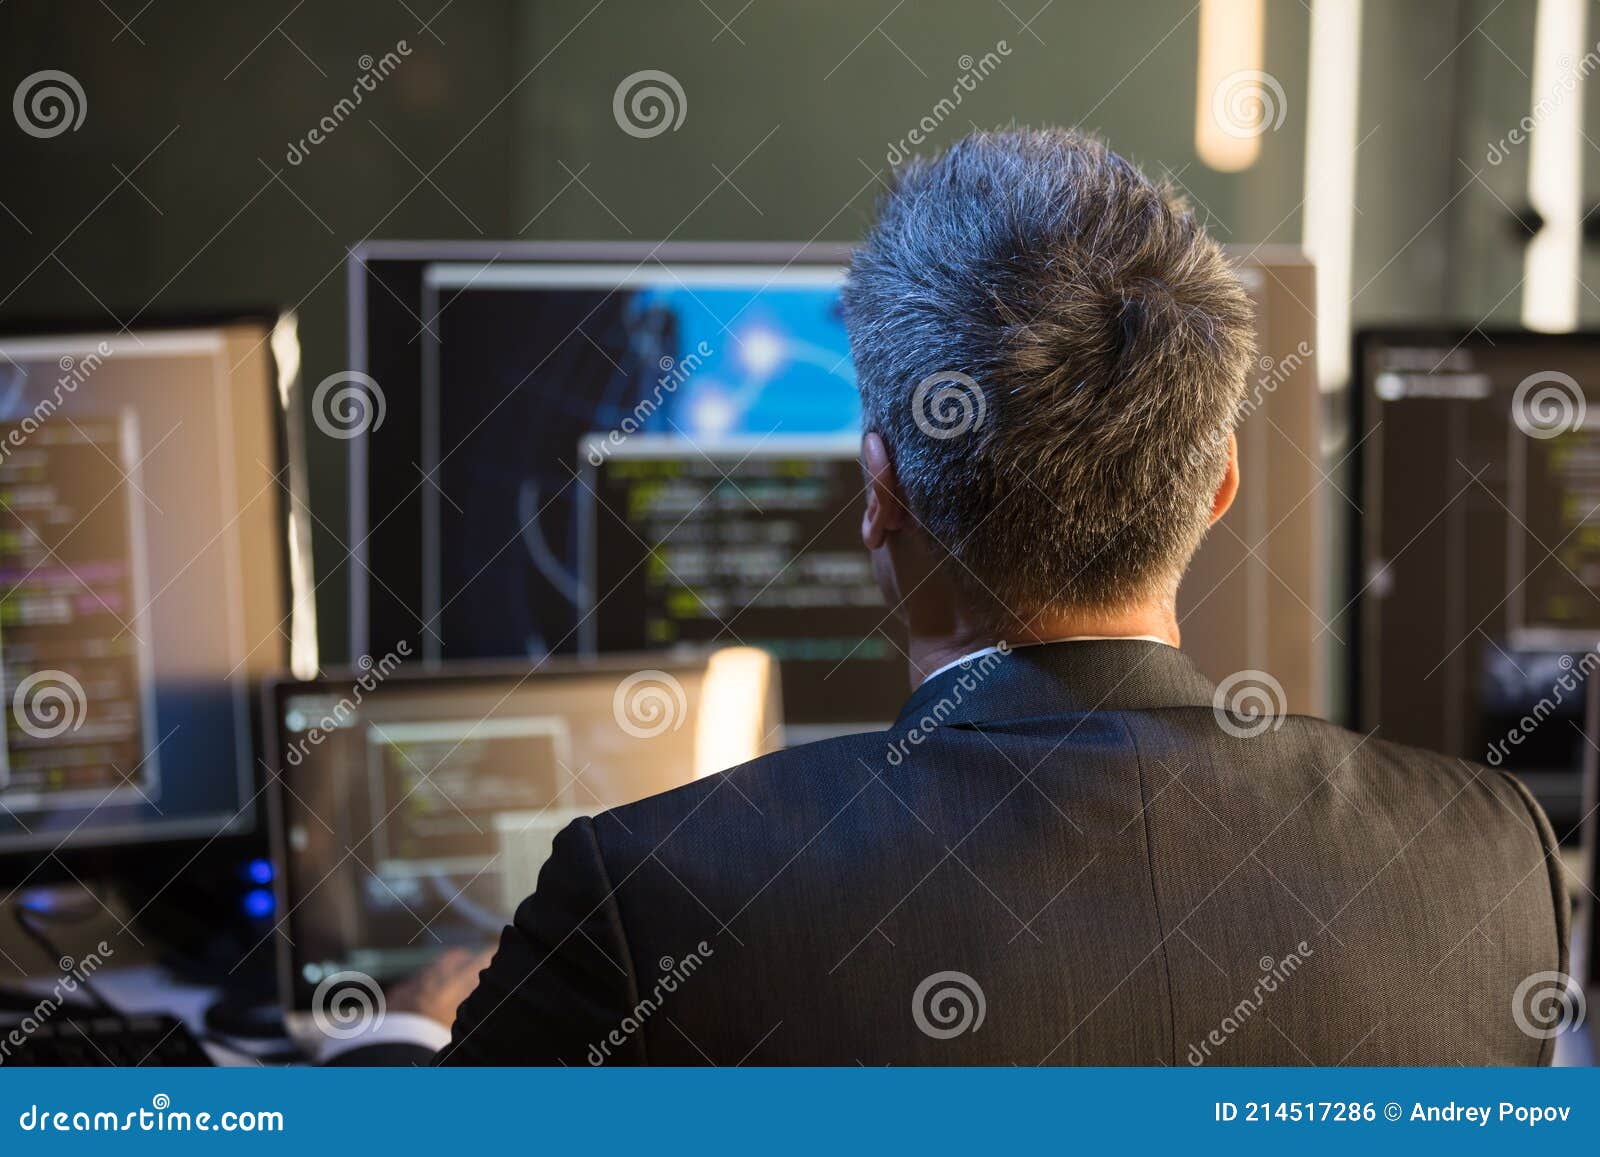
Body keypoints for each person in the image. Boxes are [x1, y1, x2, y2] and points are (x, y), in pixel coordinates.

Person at [344, 128, 1568, 1066]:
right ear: (1219, 487)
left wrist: (400, 1032)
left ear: (881, 491)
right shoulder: (1484, 858)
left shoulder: (655, 890)